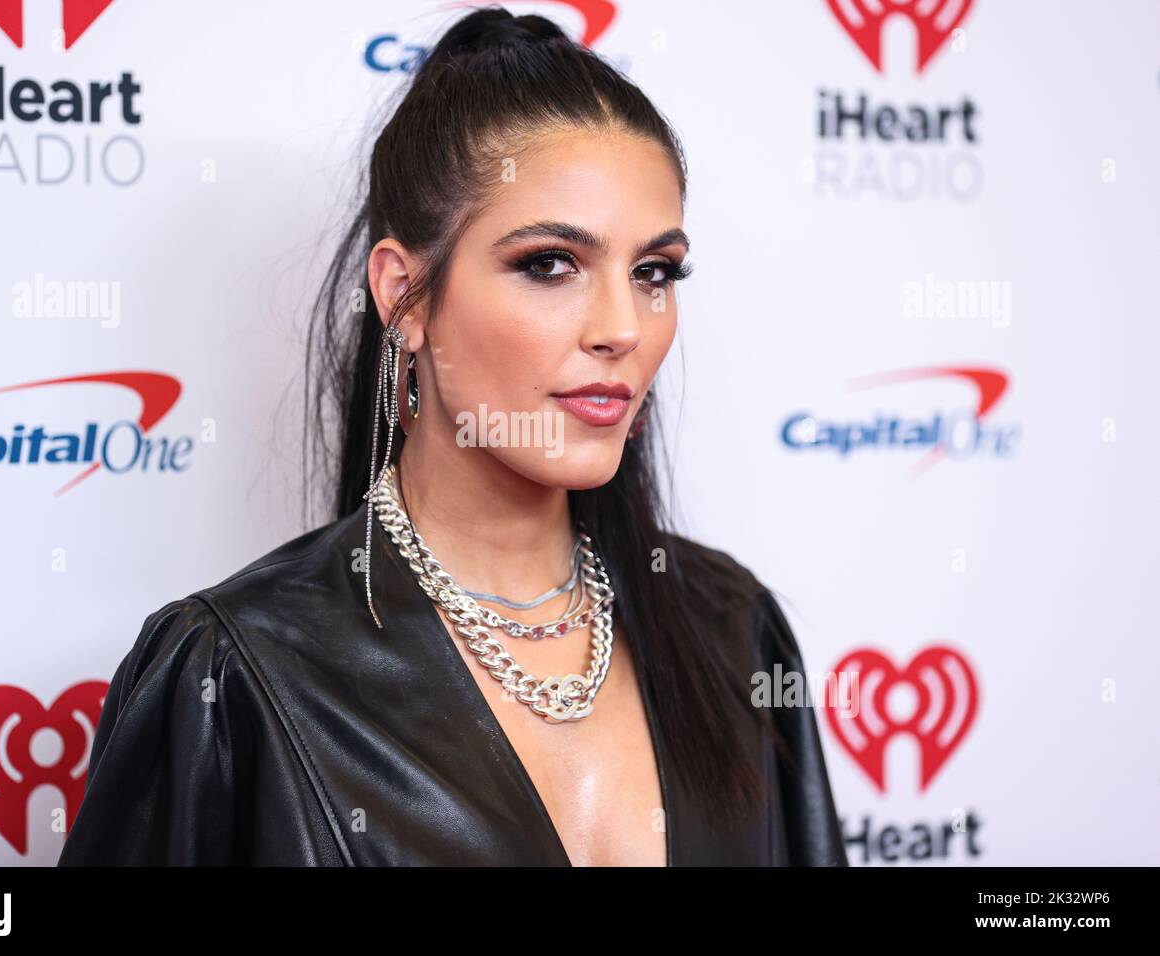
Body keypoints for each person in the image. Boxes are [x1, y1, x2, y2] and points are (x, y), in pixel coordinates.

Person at [57, 6, 848, 867]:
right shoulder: (233, 677)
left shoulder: (734, 632)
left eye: (653, 271)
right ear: (405, 296)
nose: (623, 326)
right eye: (549, 263)